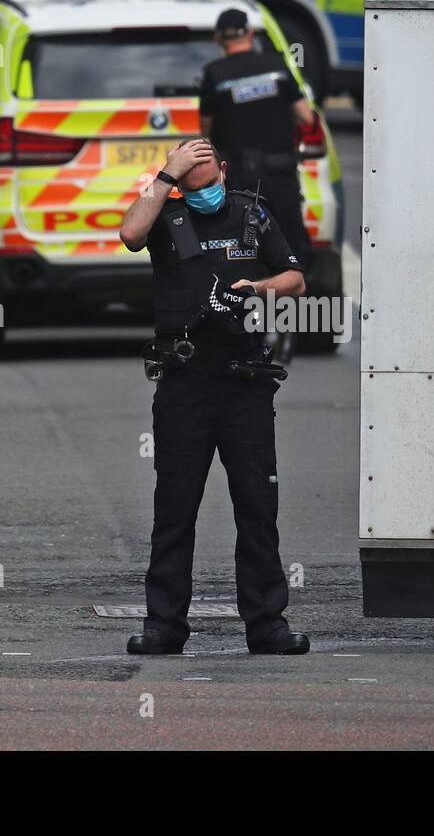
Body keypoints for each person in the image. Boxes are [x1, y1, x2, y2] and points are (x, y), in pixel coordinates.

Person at [119, 138, 310, 656]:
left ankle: (267, 624)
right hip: (186, 380)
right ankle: (164, 625)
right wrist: (165, 177)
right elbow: (130, 233)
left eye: (208, 180)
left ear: (224, 170)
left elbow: (296, 277)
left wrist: (260, 289)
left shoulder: (252, 215)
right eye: (190, 184)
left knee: (256, 505)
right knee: (175, 507)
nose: (202, 193)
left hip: (244, 380)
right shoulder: (167, 216)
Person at [198, 8, 315, 363]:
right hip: (280, 175)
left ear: (219, 40)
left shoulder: (214, 75)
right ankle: (290, 326)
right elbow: (306, 116)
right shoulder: (278, 66)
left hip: (241, 182)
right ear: (250, 34)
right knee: (290, 248)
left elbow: (205, 132)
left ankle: (252, 329)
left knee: (245, 252)